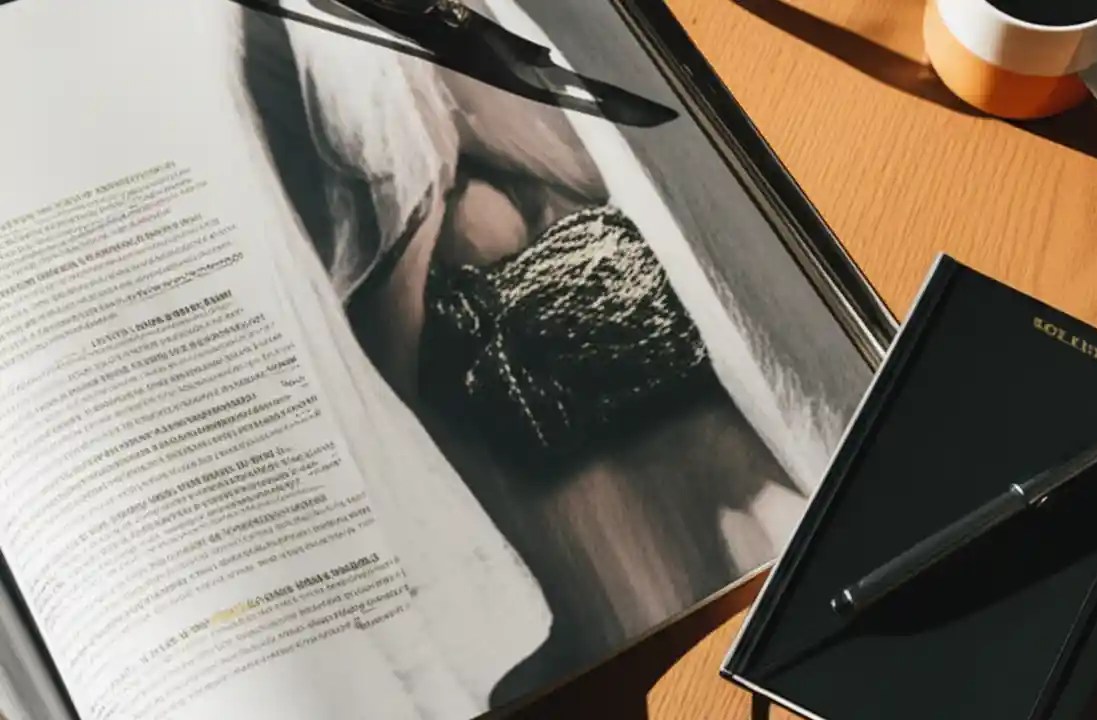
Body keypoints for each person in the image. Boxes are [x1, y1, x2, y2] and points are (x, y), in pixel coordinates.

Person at [241, 0, 819, 707]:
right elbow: (379, 337)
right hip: (564, 476)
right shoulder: (324, 71)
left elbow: (606, 163)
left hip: (667, 422)